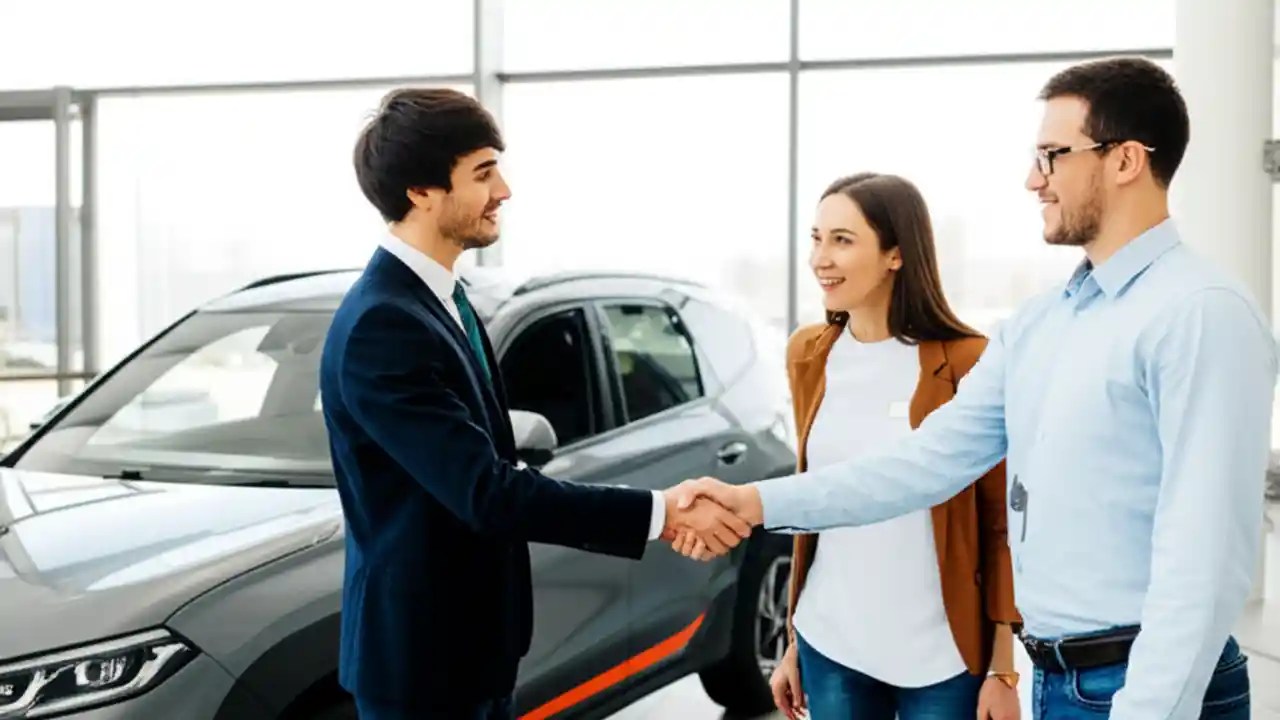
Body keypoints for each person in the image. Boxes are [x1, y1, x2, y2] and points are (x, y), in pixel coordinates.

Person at [674, 57, 1278, 719]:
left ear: (1126, 159)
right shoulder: (1039, 324)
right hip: (1060, 678)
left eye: (1052, 156)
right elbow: (921, 464)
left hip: (1148, 686)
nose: (1032, 180)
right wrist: (750, 502)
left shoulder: (1200, 313)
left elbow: (1206, 559)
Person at [319, 88, 749, 720]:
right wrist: (661, 512)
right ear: (420, 190)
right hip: (423, 667)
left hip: (470, 653)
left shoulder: (443, 299)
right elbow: (486, 492)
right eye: (484, 172)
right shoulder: (384, 325)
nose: (505, 190)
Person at [768, 172, 1022, 720]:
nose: (820, 259)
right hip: (830, 643)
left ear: (896, 254)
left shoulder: (968, 360)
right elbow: (816, 500)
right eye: (816, 238)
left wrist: (1003, 667)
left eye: (842, 240)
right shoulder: (807, 354)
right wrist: (792, 641)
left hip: (943, 658)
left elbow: (1000, 522)